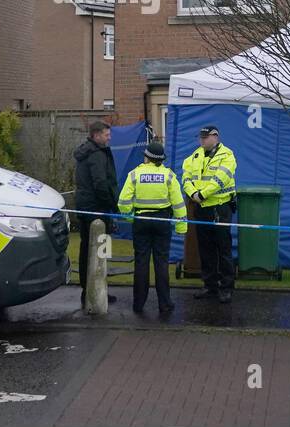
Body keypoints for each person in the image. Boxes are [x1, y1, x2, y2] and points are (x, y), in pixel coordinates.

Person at [117, 139, 187, 315]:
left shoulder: (134, 174)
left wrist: (130, 217)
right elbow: (178, 203)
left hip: (141, 221)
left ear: (147, 157)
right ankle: (164, 304)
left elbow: (123, 202)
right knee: (161, 263)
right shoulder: (169, 176)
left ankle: (138, 304)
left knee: (141, 262)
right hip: (162, 222)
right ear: (161, 159)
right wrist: (181, 227)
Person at [181, 124, 238, 303]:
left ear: (216, 137)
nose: (202, 140)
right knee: (205, 249)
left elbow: (220, 179)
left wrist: (202, 194)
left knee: (224, 248)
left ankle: (226, 287)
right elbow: (186, 177)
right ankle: (209, 285)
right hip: (201, 208)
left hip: (220, 208)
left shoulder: (227, 155)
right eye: (201, 137)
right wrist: (192, 194)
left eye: (205, 137)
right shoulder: (194, 156)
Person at [73, 120, 117, 306]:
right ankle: (98, 291)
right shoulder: (97, 155)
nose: (109, 138)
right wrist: (112, 205)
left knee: (86, 249)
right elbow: (101, 183)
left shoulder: (85, 152)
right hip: (98, 208)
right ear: (96, 135)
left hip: (85, 207)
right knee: (101, 249)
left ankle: (87, 289)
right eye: (106, 135)